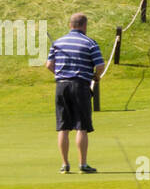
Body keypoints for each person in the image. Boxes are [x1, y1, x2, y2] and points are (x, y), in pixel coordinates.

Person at [45, 13, 105, 173]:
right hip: (80, 86)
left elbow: (49, 64)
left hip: (61, 86)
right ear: (84, 25)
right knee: (81, 127)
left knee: (63, 127)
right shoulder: (90, 43)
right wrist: (95, 77)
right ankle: (83, 164)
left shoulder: (58, 42)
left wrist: (60, 74)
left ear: (70, 25)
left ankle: (65, 165)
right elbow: (99, 66)